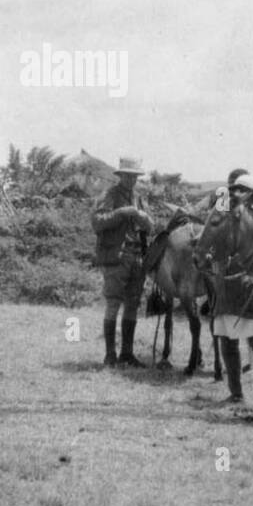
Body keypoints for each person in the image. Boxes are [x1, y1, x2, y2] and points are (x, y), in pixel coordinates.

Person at [213, 174, 253, 403]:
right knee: (228, 343)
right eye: (234, 190)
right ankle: (236, 393)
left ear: (251, 196)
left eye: (241, 190)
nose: (236, 194)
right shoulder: (225, 220)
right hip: (227, 287)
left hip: (251, 286)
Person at [91, 157, 154, 367]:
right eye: (127, 176)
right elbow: (97, 222)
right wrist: (121, 212)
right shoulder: (110, 195)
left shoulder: (138, 197)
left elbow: (151, 227)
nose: (131, 180)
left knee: (133, 305)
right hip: (117, 257)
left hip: (137, 256)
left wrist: (145, 220)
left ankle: (127, 353)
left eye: (134, 176)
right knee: (113, 303)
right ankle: (110, 355)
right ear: (120, 176)